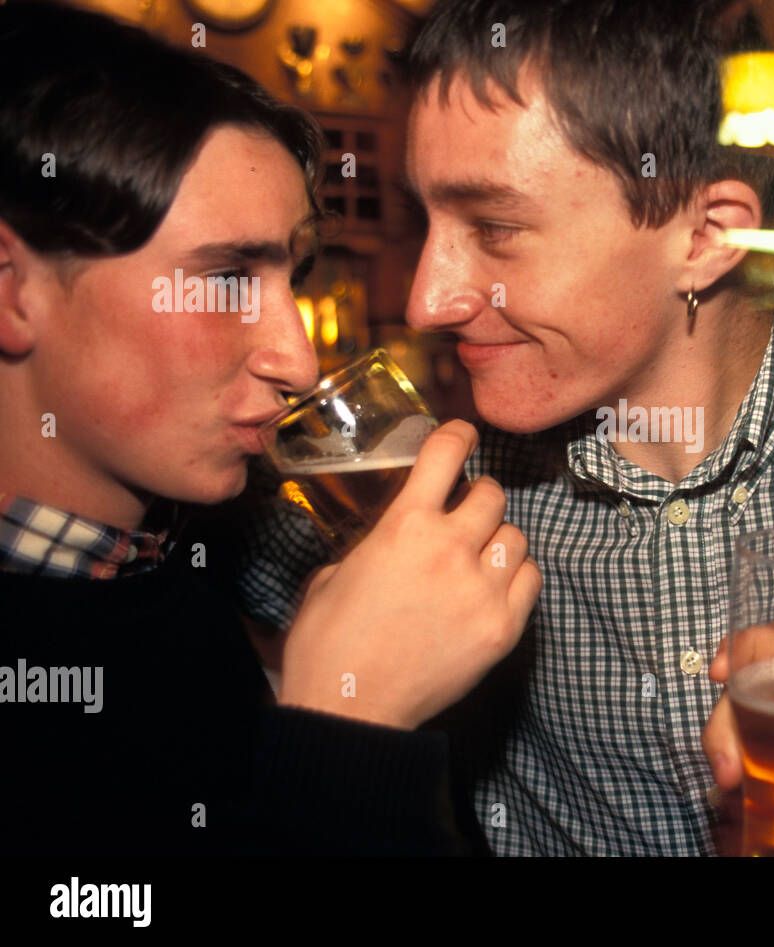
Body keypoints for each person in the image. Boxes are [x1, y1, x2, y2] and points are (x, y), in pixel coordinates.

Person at [241, 0, 774, 856]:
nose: (424, 300)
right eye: (428, 222)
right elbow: (175, 543)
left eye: (495, 228)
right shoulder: (434, 493)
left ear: (706, 236)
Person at [0, 0, 539, 854]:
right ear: (11, 290)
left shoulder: (183, 553)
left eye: (293, 272)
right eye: (224, 279)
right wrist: (347, 727)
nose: (297, 360)